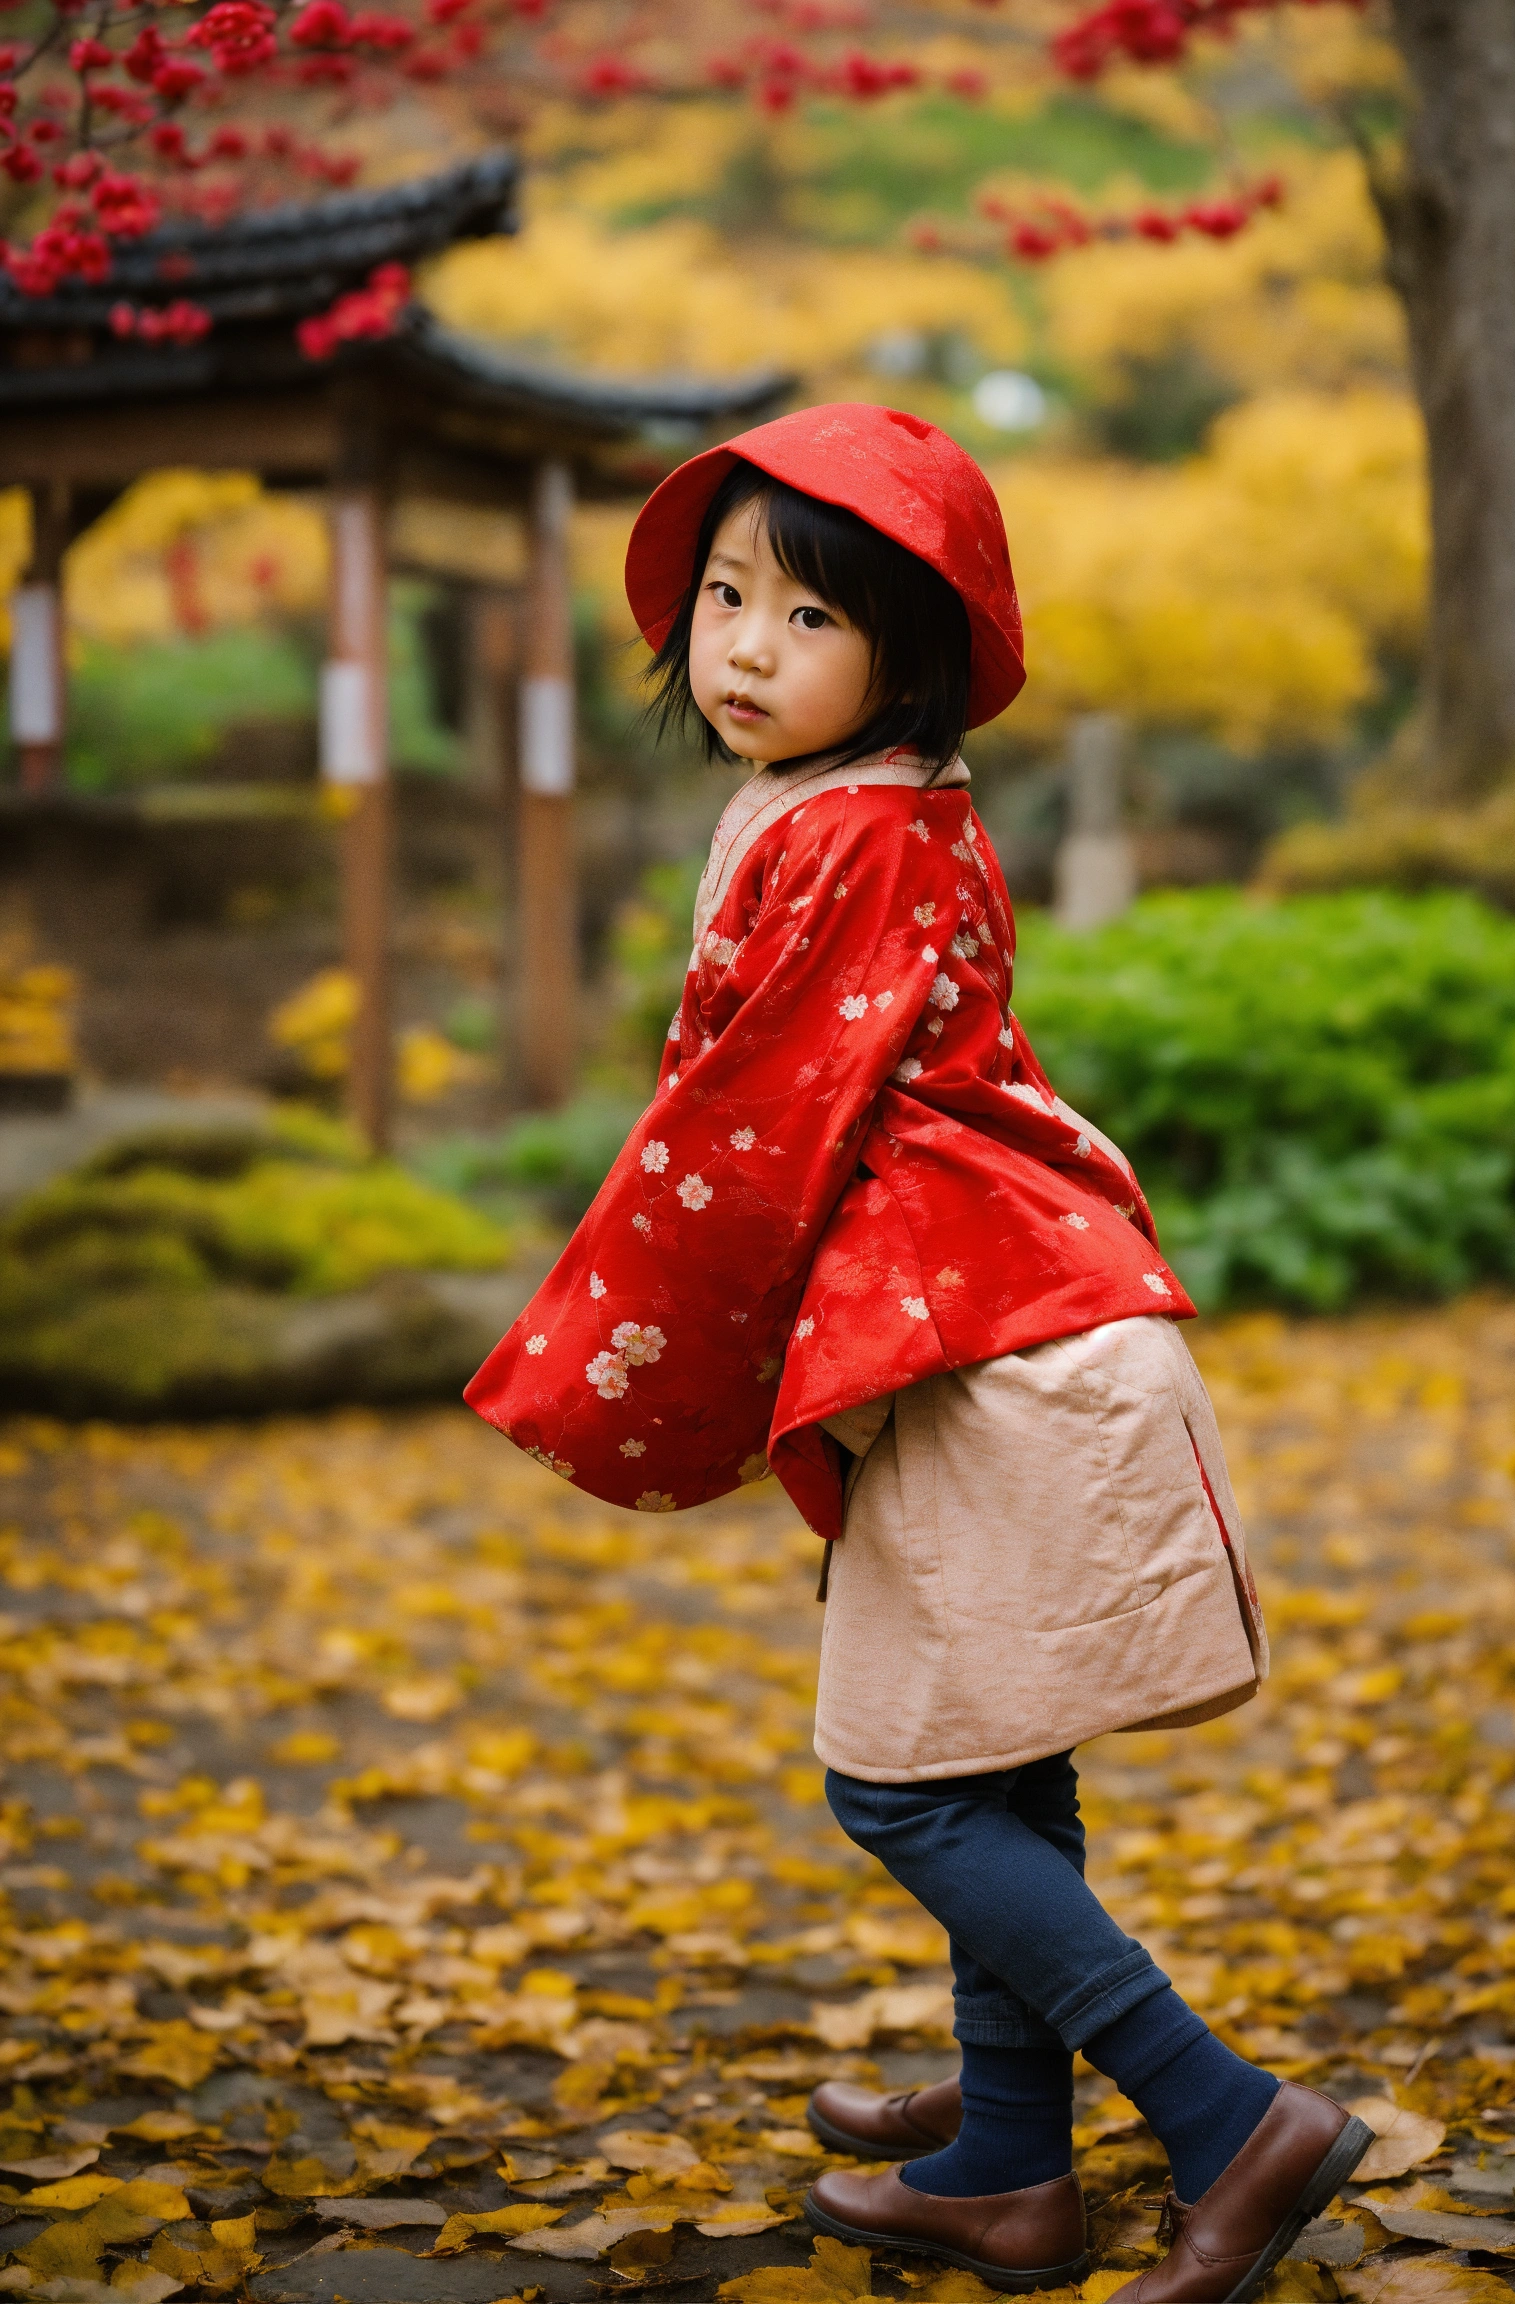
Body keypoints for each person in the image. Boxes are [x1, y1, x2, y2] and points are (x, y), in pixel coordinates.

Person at [465, 404, 1373, 2300]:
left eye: (807, 621)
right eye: (725, 600)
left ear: (910, 652)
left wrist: (597, 1357)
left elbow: (750, 1128)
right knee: (992, 1754)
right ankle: (1009, 2164)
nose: (740, 649)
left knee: (900, 1785)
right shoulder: (858, 810)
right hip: (1003, 1313)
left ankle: (1224, 2117)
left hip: (994, 1348)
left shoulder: (853, 841)